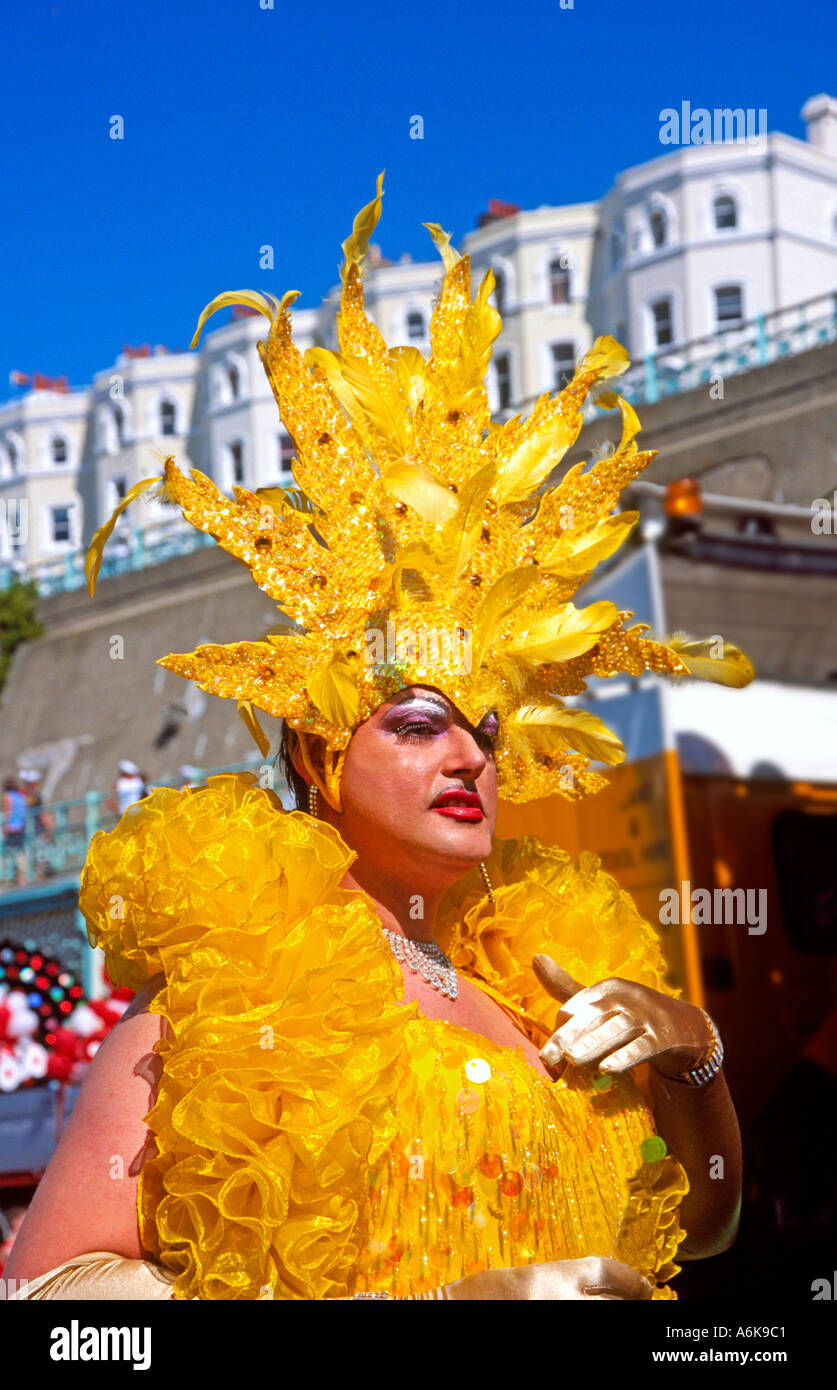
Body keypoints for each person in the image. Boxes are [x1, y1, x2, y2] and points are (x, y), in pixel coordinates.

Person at [6, 177, 752, 1301]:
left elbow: (704, 1228)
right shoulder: (227, 1010)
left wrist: (694, 1062)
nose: (470, 760)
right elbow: (55, 1307)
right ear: (314, 754)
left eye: (489, 735)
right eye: (415, 725)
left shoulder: (536, 1000)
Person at [2, 775, 29, 886]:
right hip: (22, 827)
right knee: (20, 852)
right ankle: (23, 877)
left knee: (8, 852)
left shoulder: (8, 796)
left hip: (11, 828)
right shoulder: (21, 796)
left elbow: (7, 812)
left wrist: (4, 826)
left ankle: (7, 876)